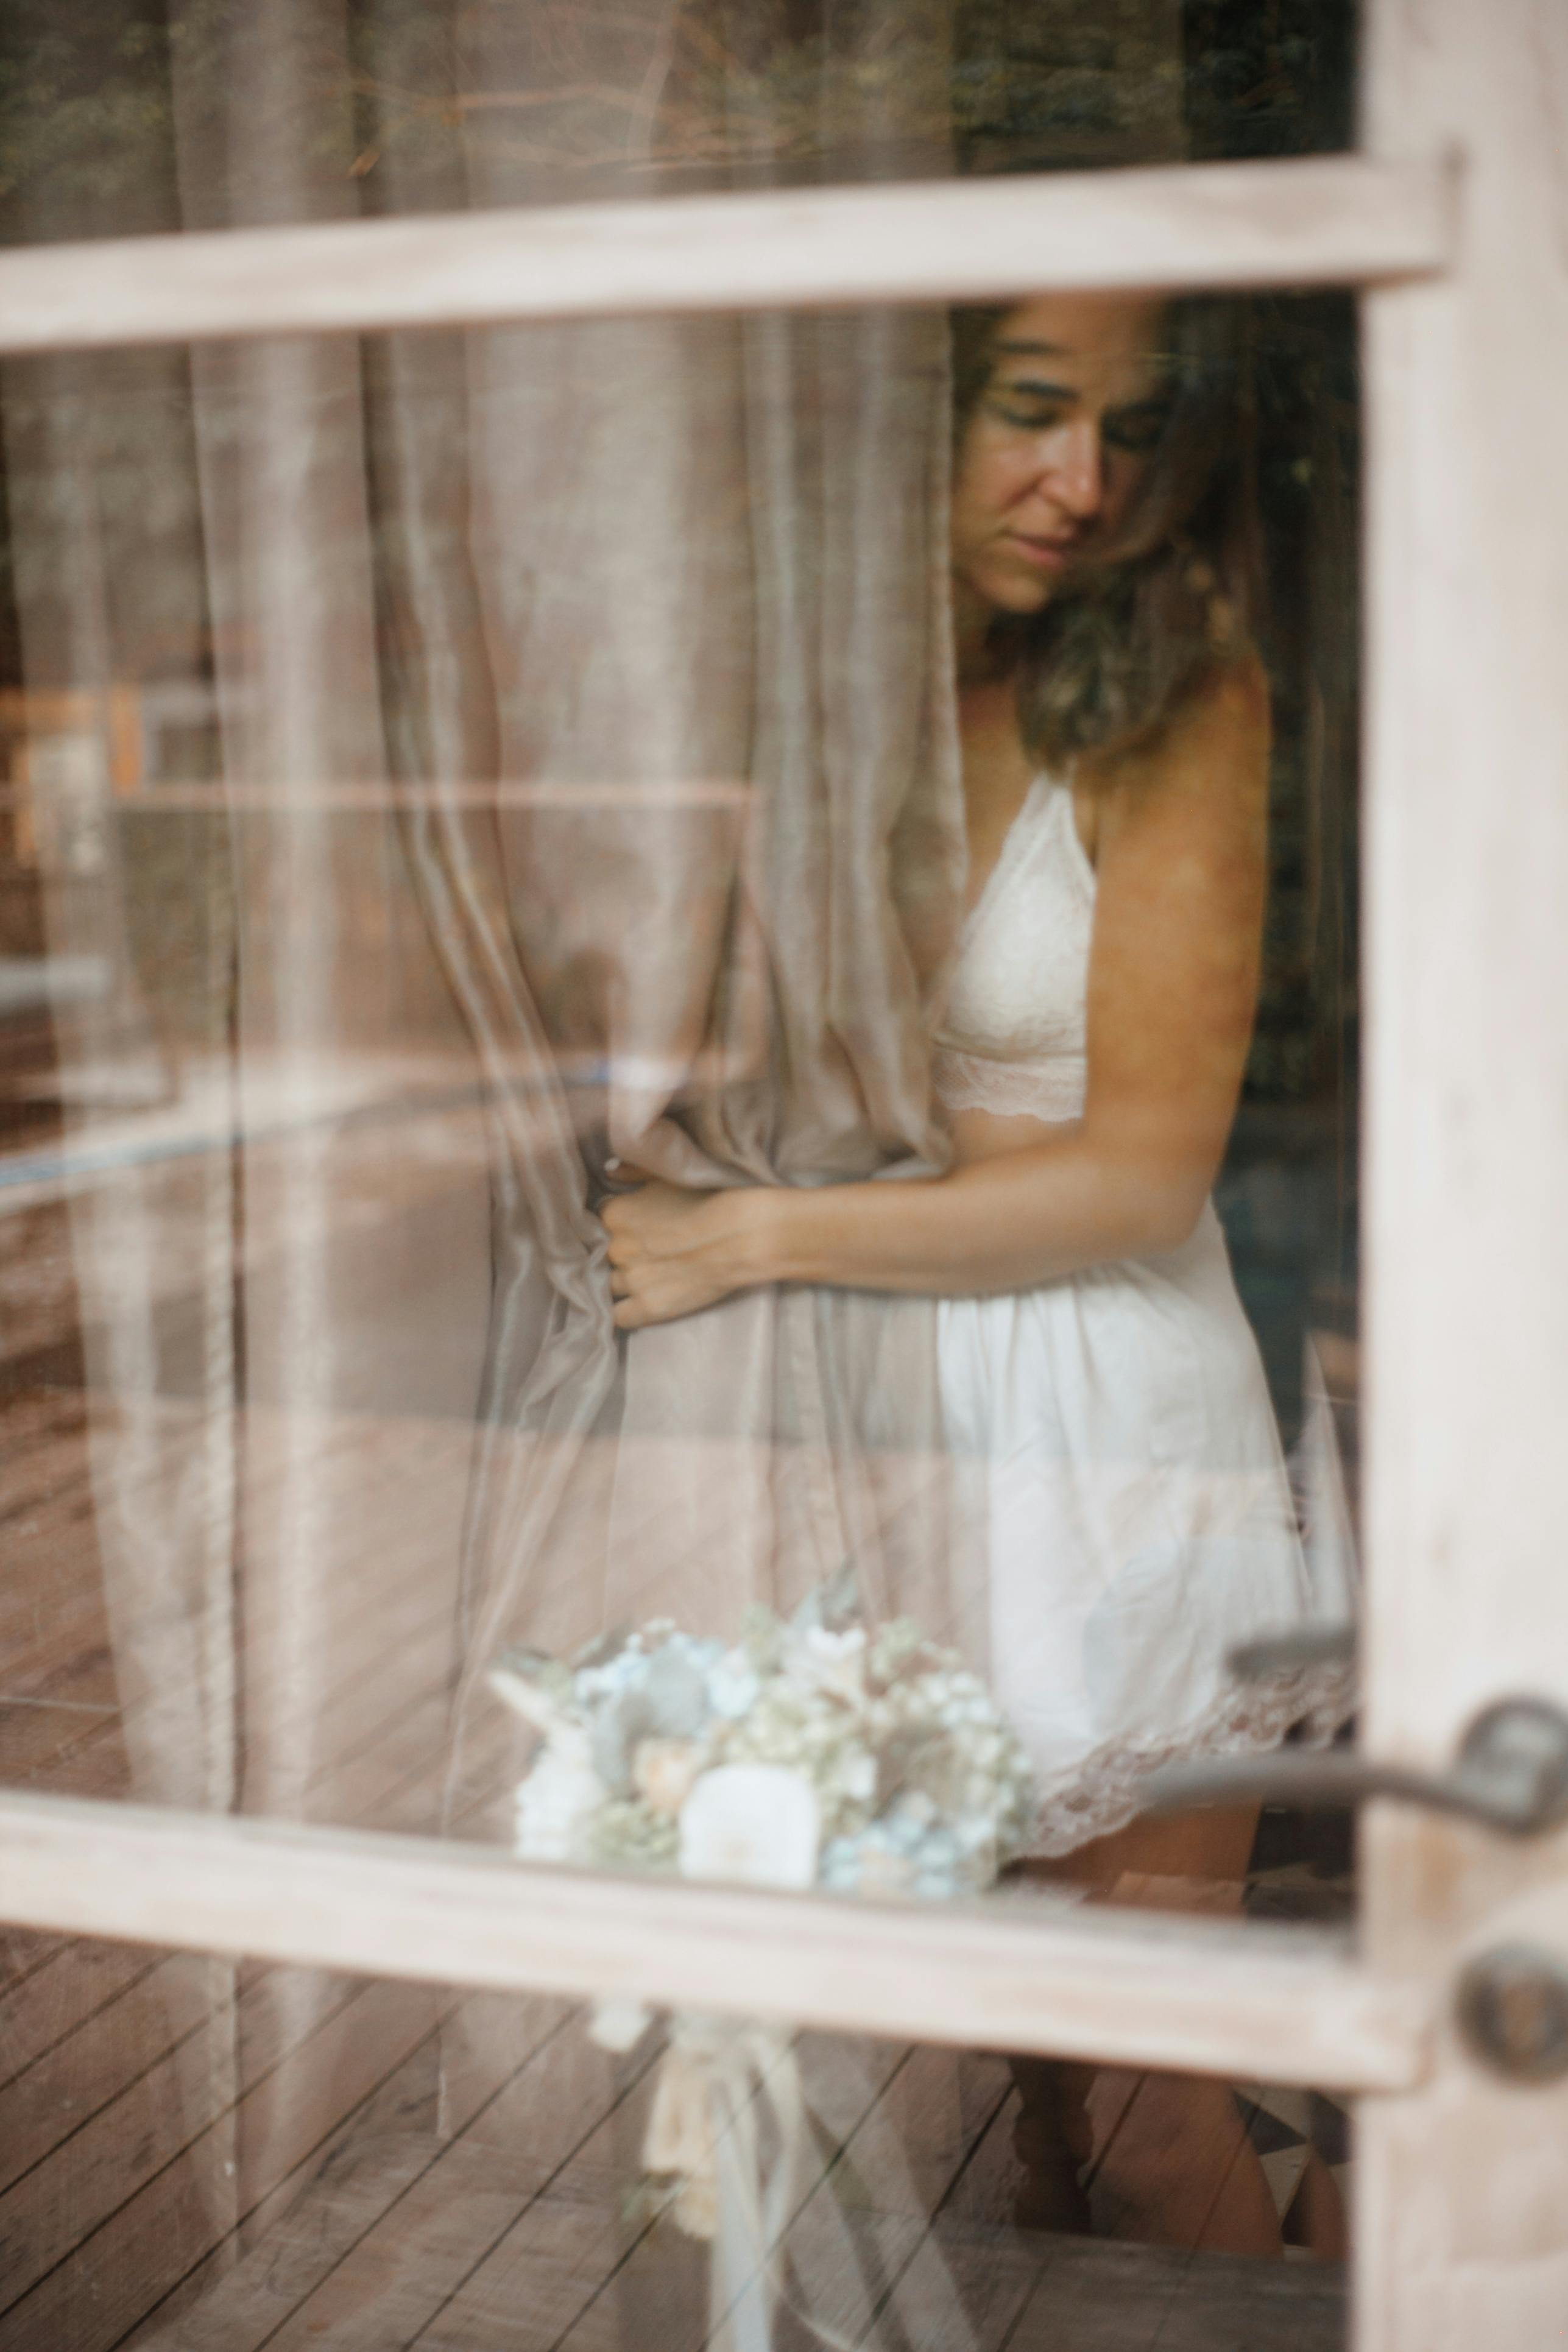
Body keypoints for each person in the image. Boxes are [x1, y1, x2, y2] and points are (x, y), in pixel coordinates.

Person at [601, 291, 1350, 2255]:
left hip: (1099, 1434)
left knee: (1131, 2125)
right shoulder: (816, 714)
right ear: (900, 428)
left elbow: (1140, 1176)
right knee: (999, 2135)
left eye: (1130, 429)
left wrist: (753, 1229)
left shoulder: (1180, 698)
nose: (1081, 480)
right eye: (1030, 411)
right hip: (870, 1436)